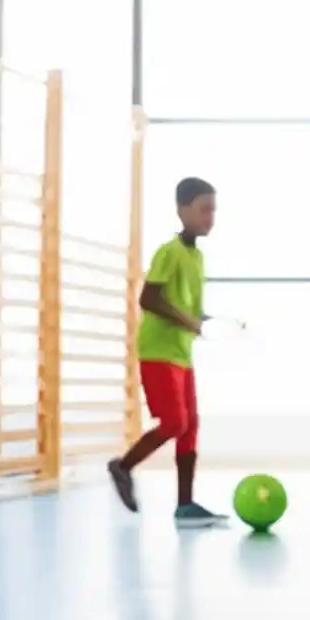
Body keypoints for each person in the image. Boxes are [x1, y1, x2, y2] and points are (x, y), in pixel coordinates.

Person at [107, 177, 226, 528]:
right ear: (182, 210)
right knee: (175, 422)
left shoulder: (197, 257)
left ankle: (186, 506)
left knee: (190, 427)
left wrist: (212, 323)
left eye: (214, 210)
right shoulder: (169, 252)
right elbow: (149, 298)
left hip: (181, 353)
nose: (210, 217)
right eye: (204, 209)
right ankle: (123, 466)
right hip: (158, 351)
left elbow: (192, 309)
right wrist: (187, 320)